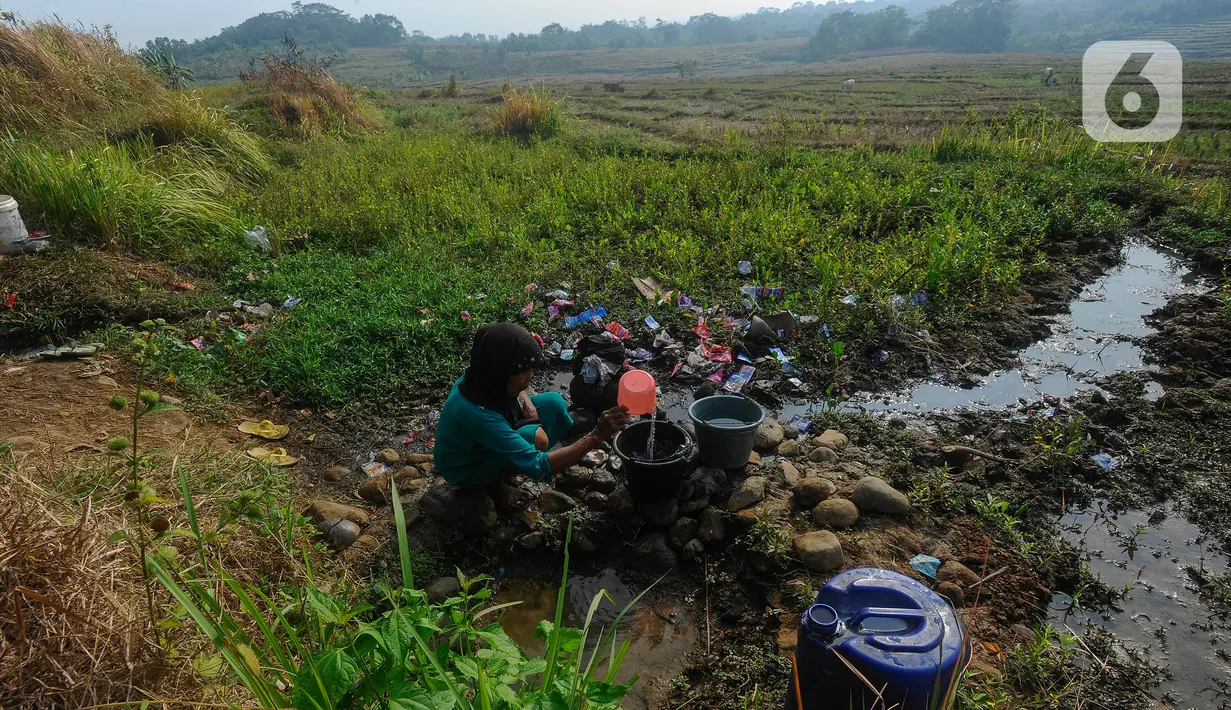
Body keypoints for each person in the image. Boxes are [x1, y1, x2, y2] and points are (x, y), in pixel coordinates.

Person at [433, 322, 630, 506]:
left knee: (554, 402)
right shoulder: (479, 415)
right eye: (525, 371)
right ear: (504, 375)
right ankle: (494, 484)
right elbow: (540, 465)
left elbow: (516, 387)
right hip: (466, 466)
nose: (531, 375)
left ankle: (565, 433)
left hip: (487, 432)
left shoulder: (481, 375)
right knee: (536, 439)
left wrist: (525, 400)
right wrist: (596, 436)